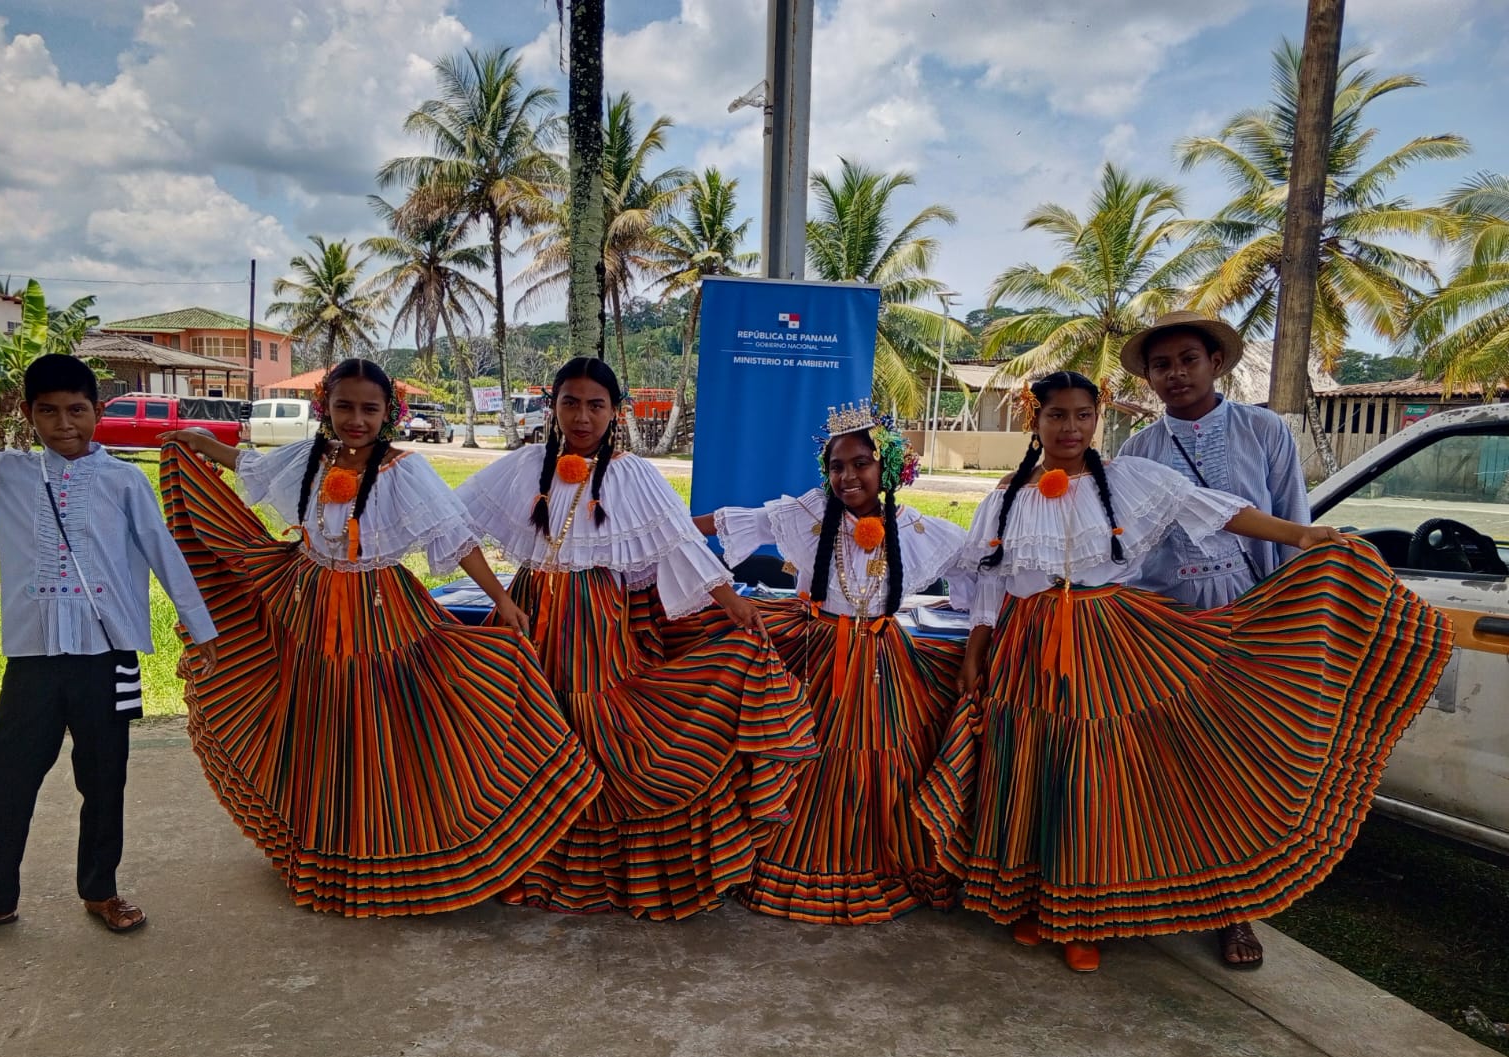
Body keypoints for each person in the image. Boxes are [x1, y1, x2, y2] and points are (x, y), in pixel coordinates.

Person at [920, 370, 1452, 974]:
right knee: (1030, 762)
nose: (1070, 428)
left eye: (1082, 415)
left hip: (1110, 639)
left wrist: (1302, 534)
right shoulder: (1005, 496)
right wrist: (973, 656)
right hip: (1026, 646)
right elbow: (990, 588)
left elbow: (1218, 511)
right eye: (1056, 416)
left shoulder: (1128, 480)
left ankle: (1084, 917)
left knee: (1095, 772)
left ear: (1098, 419)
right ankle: (1032, 902)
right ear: (1033, 420)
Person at [159, 358, 602, 917]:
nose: (356, 419)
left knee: (376, 730)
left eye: (370, 409)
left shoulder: (405, 472)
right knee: (319, 730)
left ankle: (386, 856)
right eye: (344, 406)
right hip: (306, 607)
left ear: (388, 413)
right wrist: (198, 442)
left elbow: (456, 538)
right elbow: (251, 465)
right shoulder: (308, 458)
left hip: (378, 615)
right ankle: (323, 854)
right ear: (326, 408)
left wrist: (501, 598)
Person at [455, 356, 819, 920]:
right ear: (553, 406)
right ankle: (525, 860)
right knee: (531, 727)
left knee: (591, 729)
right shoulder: (526, 464)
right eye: (571, 402)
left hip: (593, 618)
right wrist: (499, 598)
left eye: (596, 405)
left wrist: (730, 602)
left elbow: (679, 544)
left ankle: (602, 869)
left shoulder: (633, 474)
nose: (582, 416)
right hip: (528, 609)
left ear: (615, 412)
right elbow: (452, 524)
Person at [0, 353, 220, 943]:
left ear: (97, 412)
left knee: (104, 779)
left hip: (108, 659)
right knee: (6, 778)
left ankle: (101, 889)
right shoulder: (4, 473)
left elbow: (164, 554)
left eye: (76, 410)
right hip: (32, 658)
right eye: (48, 412)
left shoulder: (125, 480)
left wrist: (201, 633)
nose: (64, 424)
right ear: (29, 415)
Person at [692, 402, 969, 923]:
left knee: (878, 762)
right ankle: (789, 863)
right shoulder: (809, 515)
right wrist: (655, 533)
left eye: (861, 463)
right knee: (805, 755)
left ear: (888, 467)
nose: (848, 476)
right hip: (814, 656)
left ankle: (871, 865)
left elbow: (984, 573)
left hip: (885, 663)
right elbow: (718, 525)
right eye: (837, 466)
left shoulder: (920, 530)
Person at [1116, 311, 1312, 967]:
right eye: (1161, 365)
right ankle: (1162, 894)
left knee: (1237, 773)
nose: (1175, 374)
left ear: (1215, 363)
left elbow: (1293, 522)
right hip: (1170, 635)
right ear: (1148, 378)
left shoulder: (1264, 431)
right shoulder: (1137, 452)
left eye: (1187, 360)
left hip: (1253, 621)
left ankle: (1234, 912)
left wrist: (1287, 616)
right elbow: (1126, 550)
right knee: (1169, 768)